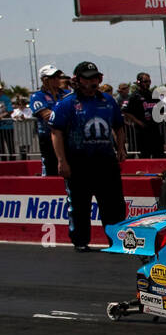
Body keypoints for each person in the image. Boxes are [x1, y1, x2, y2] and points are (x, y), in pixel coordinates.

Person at [49, 62, 127, 251]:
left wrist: (121, 148)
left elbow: (119, 125)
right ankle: (80, 241)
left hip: (106, 160)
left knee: (114, 204)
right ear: (77, 80)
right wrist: (61, 161)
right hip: (78, 162)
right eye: (87, 78)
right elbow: (56, 132)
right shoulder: (67, 103)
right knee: (79, 204)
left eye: (95, 77)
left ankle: (115, 241)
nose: (92, 82)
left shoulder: (108, 100)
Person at [30, 65, 68, 176]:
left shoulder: (66, 94)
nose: (57, 79)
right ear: (44, 80)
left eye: (58, 76)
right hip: (48, 138)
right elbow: (47, 116)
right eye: (53, 77)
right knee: (51, 169)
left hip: (67, 137)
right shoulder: (37, 96)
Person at [123, 72, 165, 159]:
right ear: (139, 82)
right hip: (142, 131)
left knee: (159, 154)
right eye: (145, 81)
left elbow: (161, 109)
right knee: (145, 155)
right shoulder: (134, 96)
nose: (148, 84)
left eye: (149, 81)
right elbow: (126, 111)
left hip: (154, 129)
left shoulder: (153, 94)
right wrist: (138, 122)